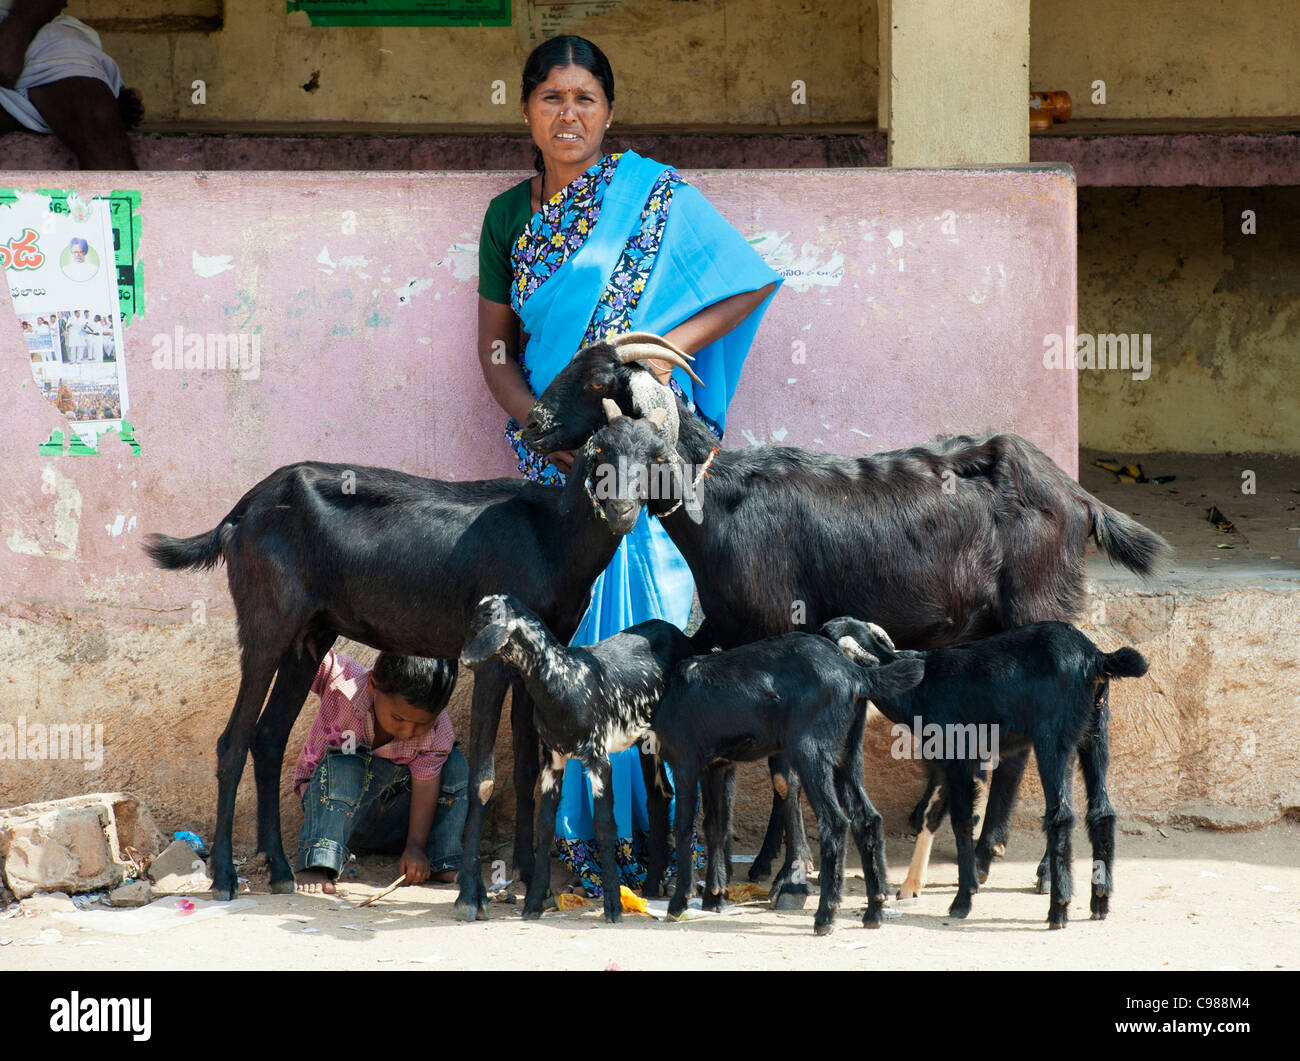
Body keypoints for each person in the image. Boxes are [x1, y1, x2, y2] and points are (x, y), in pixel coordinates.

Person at [476, 35, 781, 896]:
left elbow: (749, 282)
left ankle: (676, 840)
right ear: (526, 110)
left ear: (609, 112)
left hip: (643, 457)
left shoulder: (654, 197)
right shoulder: (508, 216)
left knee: (655, 634)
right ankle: (582, 843)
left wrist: (660, 358)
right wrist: (541, 427)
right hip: (558, 464)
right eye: (550, 98)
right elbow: (498, 351)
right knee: (573, 646)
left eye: (584, 98)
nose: (567, 114)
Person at [293, 649, 468, 894]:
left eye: (422, 723)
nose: (408, 731)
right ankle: (320, 861)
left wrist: (415, 846)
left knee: (455, 764)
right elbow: (303, 651)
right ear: (374, 683)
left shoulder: (438, 731)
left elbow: (426, 784)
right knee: (347, 759)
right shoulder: (341, 680)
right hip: (334, 817)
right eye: (398, 718)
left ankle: (440, 859)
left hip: (395, 824)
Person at [0, 0, 142, 169]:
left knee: (93, 113)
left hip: (30, 17)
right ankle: (25, 116)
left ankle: (24, 114)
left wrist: (19, 25)